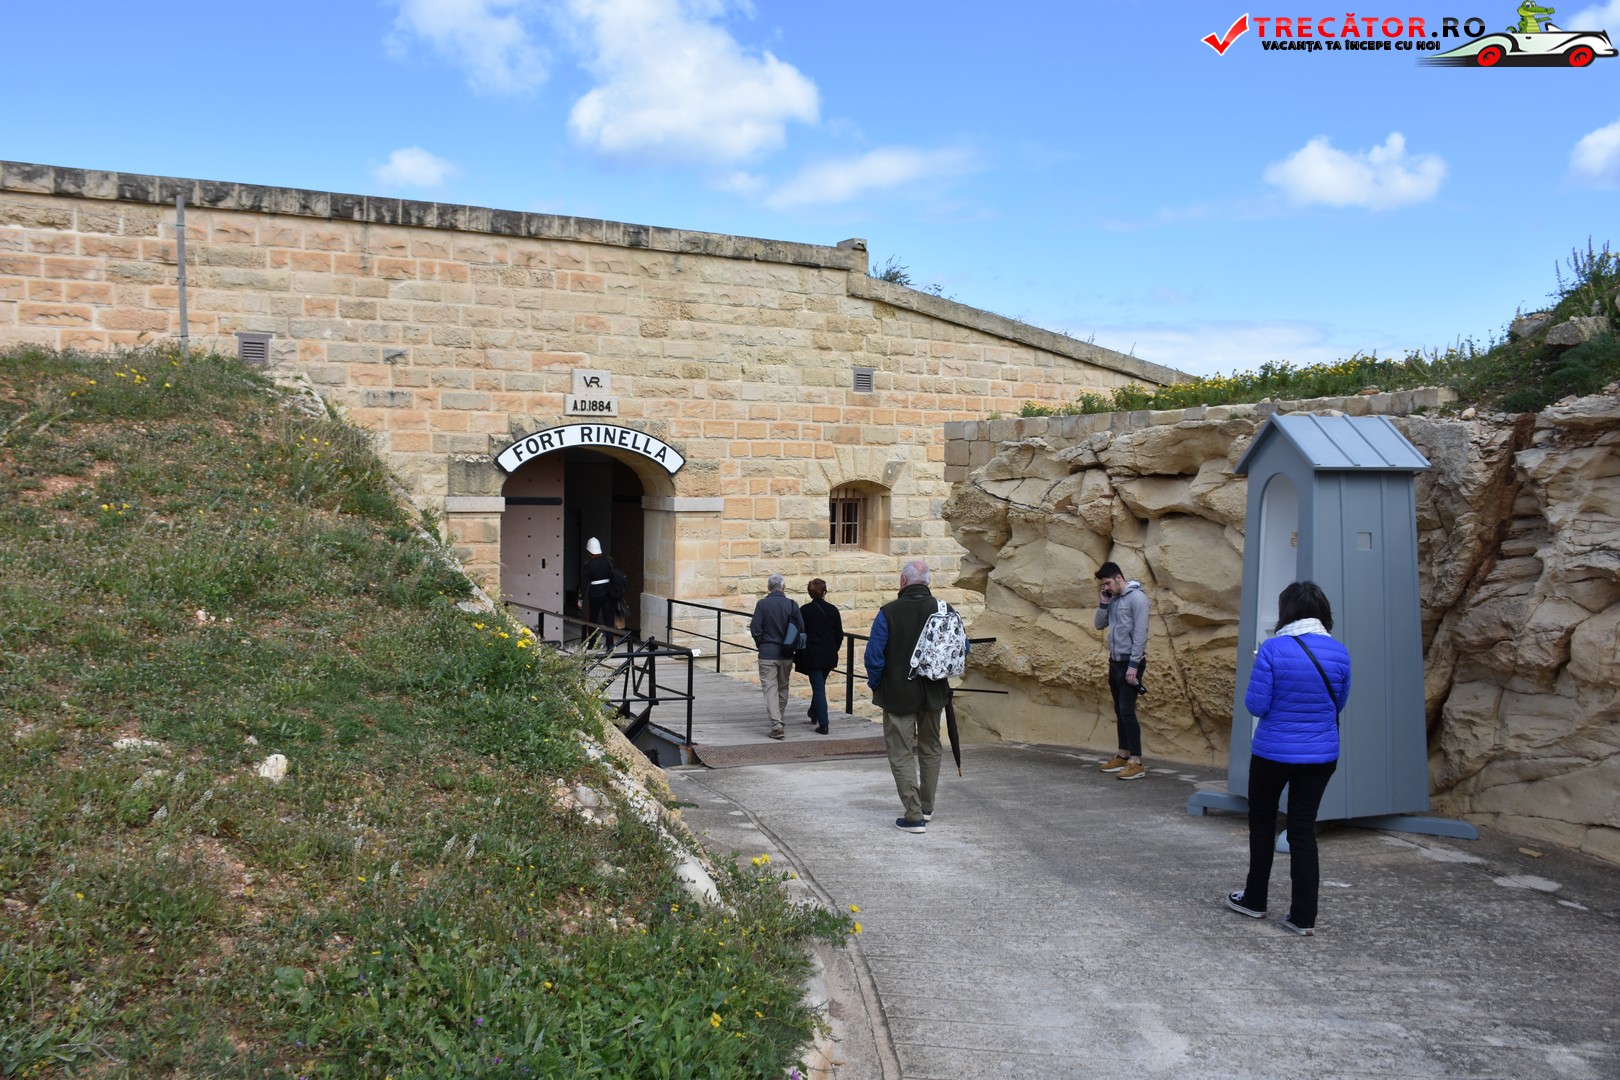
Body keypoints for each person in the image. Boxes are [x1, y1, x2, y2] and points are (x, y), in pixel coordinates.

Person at [1225, 581, 1350, 937]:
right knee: (1302, 830)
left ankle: (1254, 899)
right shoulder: (1339, 653)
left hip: (1273, 753)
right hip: (1321, 754)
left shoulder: (1272, 650)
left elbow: (1256, 705)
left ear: (1287, 612)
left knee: (1263, 823)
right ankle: (1303, 917)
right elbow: (1338, 703)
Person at [864, 559, 960, 833]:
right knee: (931, 748)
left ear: (903, 581)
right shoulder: (945, 610)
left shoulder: (888, 612)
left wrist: (877, 686)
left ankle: (913, 815)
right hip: (934, 693)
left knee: (901, 752)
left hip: (897, 694)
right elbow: (961, 646)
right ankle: (927, 808)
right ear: (927, 581)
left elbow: (874, 656)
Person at [1094, 561, 1151, 780]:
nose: (1106, 587)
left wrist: (1134, 666)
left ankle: (1136, 761)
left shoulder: (1137, 598)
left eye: (1108, 582)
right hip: (1115, 660)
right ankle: (1123, 754)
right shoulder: (1114, 600)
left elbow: (1141, 633)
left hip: (1130, 662)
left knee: (1127, 710)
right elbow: (1099, 625)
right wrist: (1103, 603)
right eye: (1104, 584)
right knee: (1119, 709)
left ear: (1118, 578)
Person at [749, 573, 804, 740]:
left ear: (768, 588)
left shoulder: (762, 604)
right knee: (783, 687)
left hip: (767, 653)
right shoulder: (792, 605)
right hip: (787, 654)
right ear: (783, 587)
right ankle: (779, 720)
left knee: (770, 688)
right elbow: (800, 628)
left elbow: (755, 628)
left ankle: (776, 724)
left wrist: (762, 644)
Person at [796, 578, 843, 735]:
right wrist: (834, 648)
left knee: (818, 688)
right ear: (824, 592)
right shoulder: (833, 610)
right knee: (819, 686)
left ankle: (824, 724)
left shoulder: (804, 610)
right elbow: (840, 634)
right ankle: (813, 712)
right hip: (829, 655)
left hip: (813, 655)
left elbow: (800, 632)